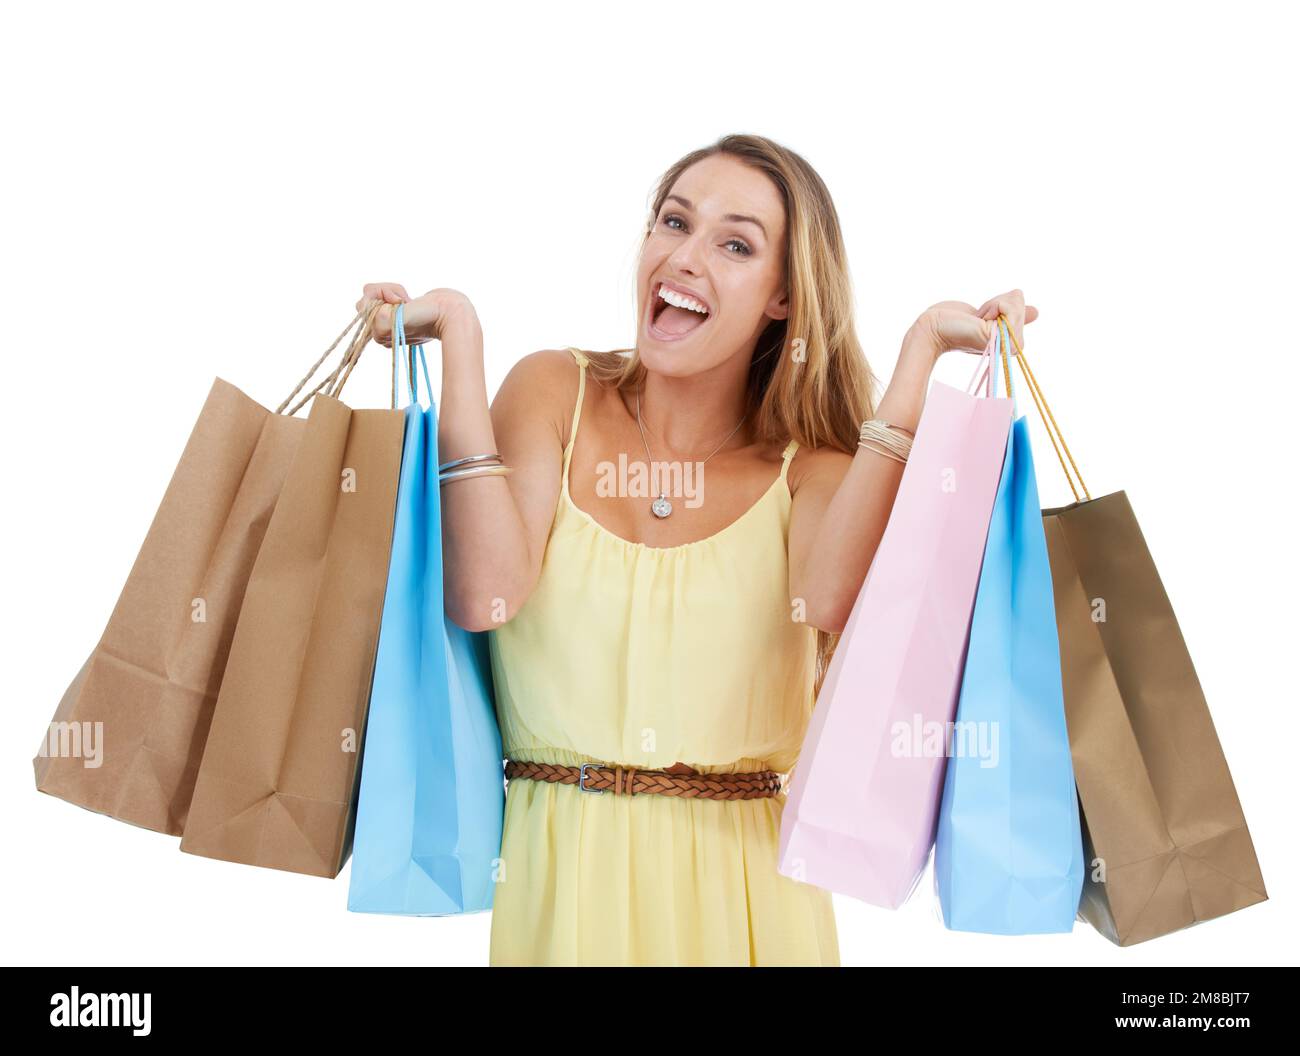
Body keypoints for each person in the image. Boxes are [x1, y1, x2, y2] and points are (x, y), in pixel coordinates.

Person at [358, 133, 1037, 967]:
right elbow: (482, 594)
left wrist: (921, 352)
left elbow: (829, 601)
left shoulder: (808, 472)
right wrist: (457, 339)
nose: (684, 257)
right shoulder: (552, 393)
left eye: (735, 243)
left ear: (783, 298)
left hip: (749, 906)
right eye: (673, 222)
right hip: (561, 891)